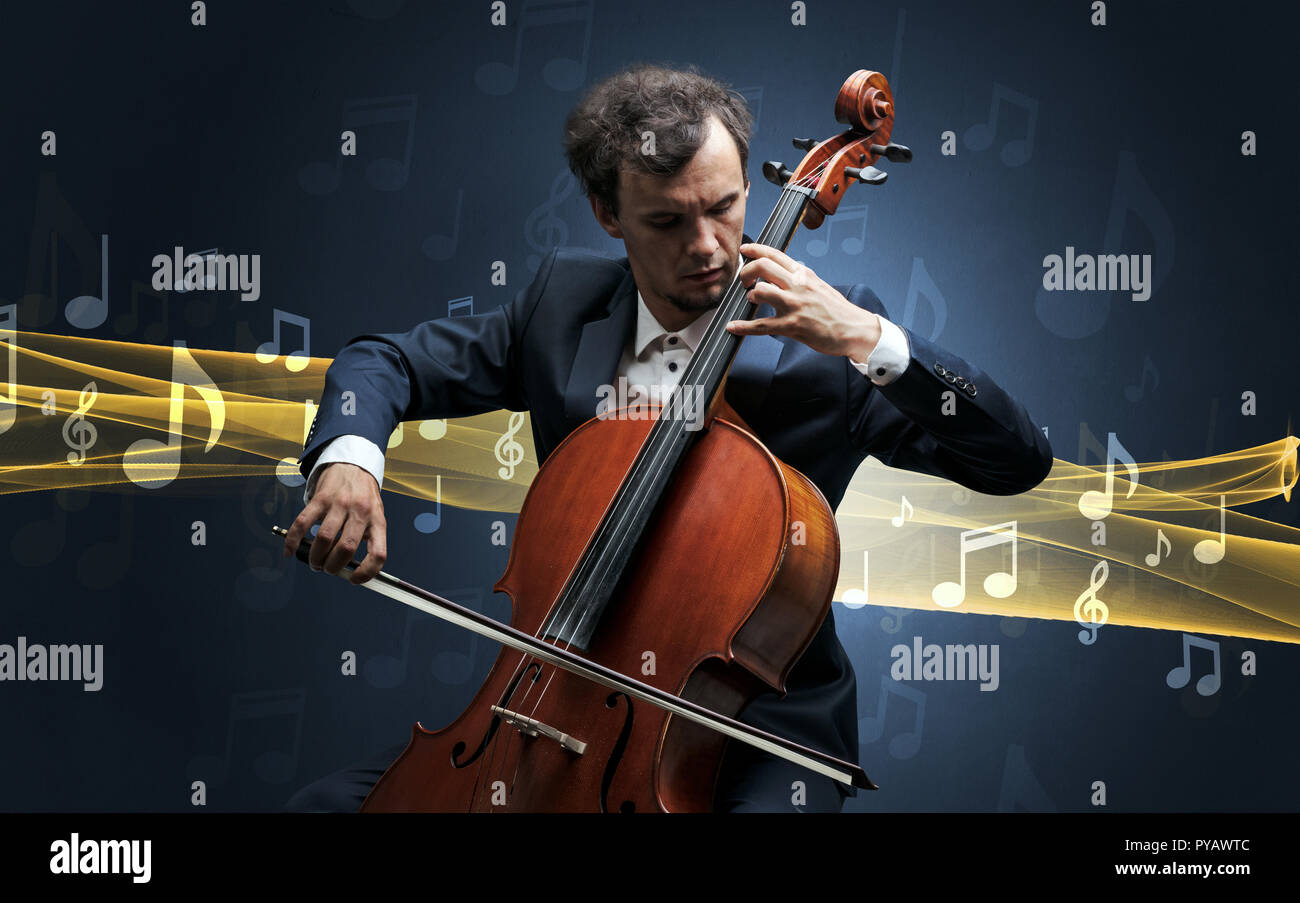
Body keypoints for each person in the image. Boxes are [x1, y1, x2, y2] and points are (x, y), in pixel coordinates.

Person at [281, 63, 1053, 812]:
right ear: (606, 214)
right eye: (667, 220)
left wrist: (867, 337)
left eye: (723, 206)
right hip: (552, 691)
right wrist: (349, 460)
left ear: (752, 187)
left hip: (755, 732)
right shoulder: (560, 304)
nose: (709, 245)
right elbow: (382, 362)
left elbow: (1015, 460)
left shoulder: (828, 347)